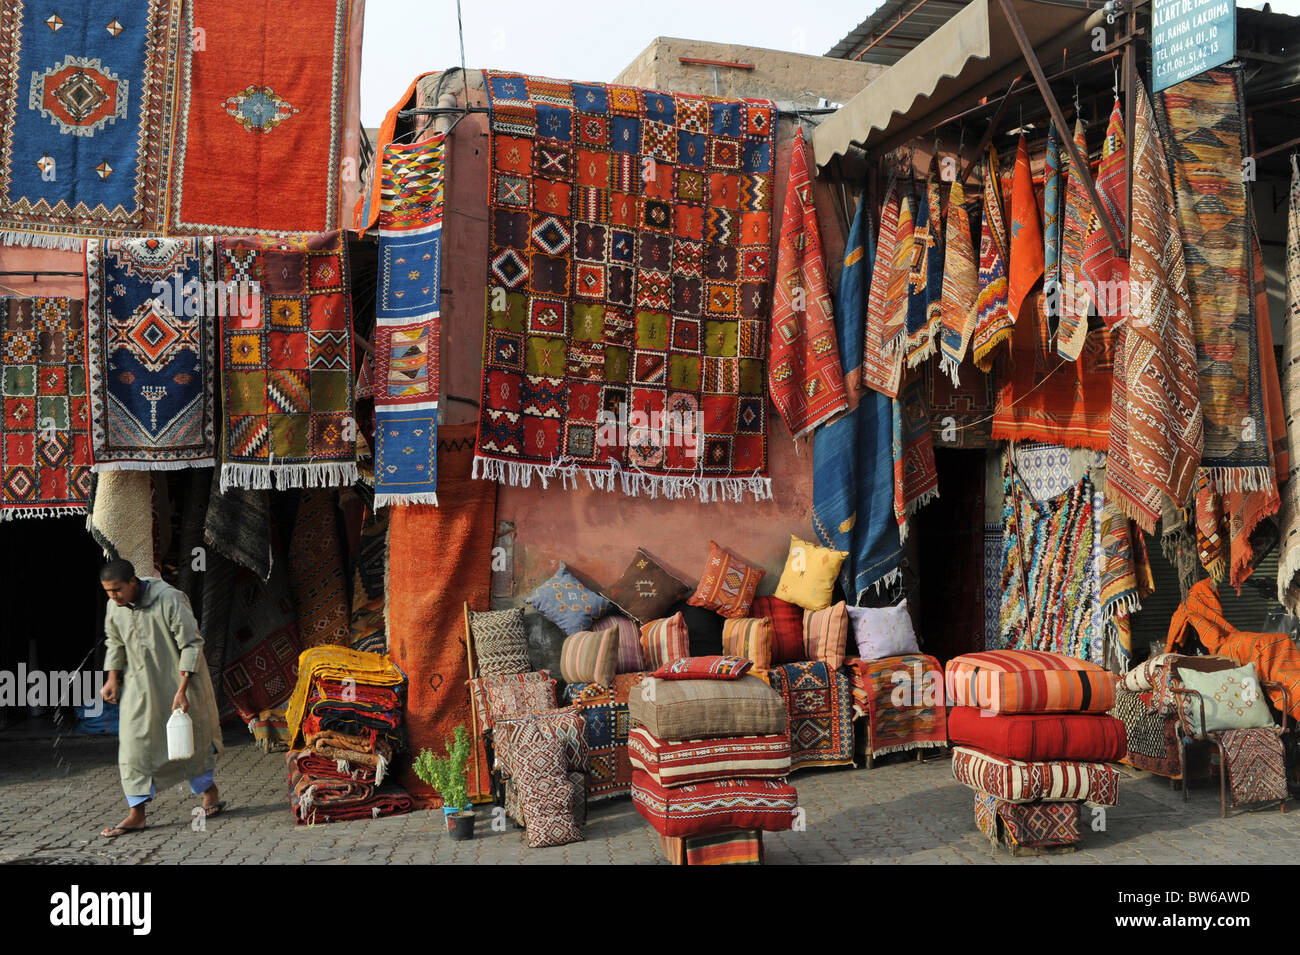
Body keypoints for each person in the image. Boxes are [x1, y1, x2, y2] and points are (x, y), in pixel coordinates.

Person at [98, 558, 225, 837]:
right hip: (140, 689)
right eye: (107, 591)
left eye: (117, 589)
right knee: (133, 749)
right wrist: (111, 678)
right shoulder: (114, 607)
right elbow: (114, 642)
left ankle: (210, 794)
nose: (112, 596)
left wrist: (182, 689)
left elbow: (191, 644)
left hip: (180, 683)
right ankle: (137, 814)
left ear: (133, 582)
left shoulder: (170, 599)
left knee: (190, 743)